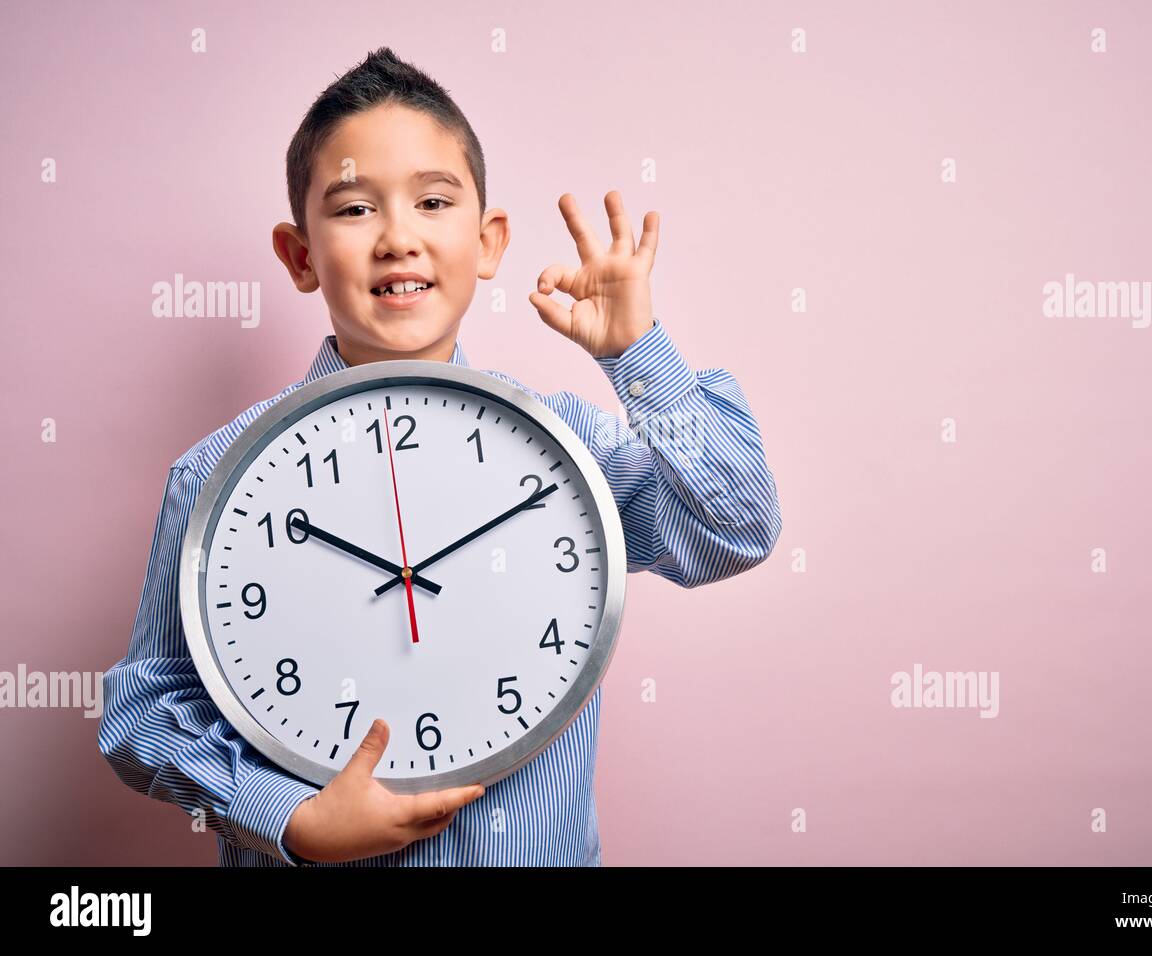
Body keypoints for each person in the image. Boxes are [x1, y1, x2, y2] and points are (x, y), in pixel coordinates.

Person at [98, 47, 781, 866]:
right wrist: (288, 816)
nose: (398, 239)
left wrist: (639, 354)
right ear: (300, 255)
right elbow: (141, 709)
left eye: (432, 201)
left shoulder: (569, 449)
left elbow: (738, 528)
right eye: (354, 210)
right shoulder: (217, 473)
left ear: (488, 243)